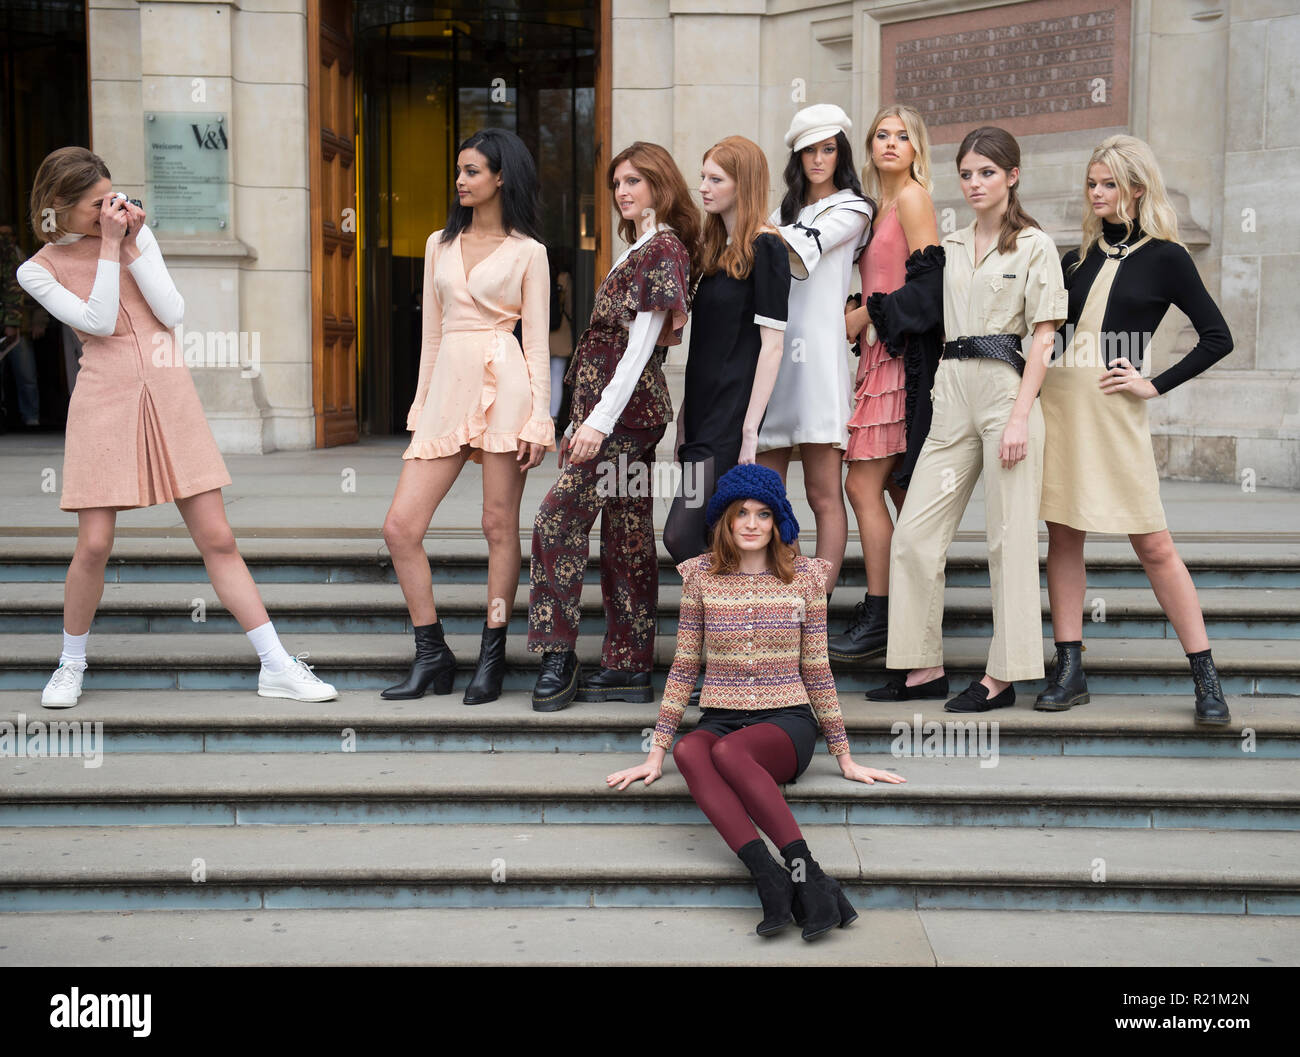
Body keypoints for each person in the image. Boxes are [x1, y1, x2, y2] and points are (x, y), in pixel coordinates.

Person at [16, 146, 336, 708]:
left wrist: (132, 244)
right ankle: (70, 664)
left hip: (168, 391)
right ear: (59, 206)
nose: (110, 211)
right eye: (96, 205)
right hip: (103, 398)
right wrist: (113, 247)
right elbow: (99, 321)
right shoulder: (37, 268)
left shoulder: (136, 237)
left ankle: (277, 664)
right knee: (94, 543)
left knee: (218, 536)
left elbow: (172, 311)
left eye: (112, 197)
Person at [607, 464, 905, 940]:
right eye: (741, 513)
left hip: (785, 724)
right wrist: (656, 752)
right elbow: (684, 667)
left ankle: (805, 872)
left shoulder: (805, 578)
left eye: (763, 514)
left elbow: (817, 671)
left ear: (777, 522)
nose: (751, 523)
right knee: (691, 751)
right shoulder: (700, 577)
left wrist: (844, 757)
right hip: (723, 717)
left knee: (728, 753)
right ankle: (770, 877)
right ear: (725, 520)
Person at [1038, 135, 1234, 724]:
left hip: (1114, 412)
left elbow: (1217, 336)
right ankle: (1069, 666)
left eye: (1109, 185)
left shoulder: (1167, 256)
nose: (1097, 194)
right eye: (1092, 184)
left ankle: (1205, 675)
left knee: (1153, 543)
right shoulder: (1074, 256)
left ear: (1137, 189)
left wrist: (1154, 382)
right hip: (1059, 406)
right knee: (1064, 534)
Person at [872, 127, 1067, 712]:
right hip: (951, 391)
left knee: (1009, 539)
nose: (976, 182)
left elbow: (1044, 339)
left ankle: (1003, 676)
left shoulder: (1035, 245)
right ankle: (922, 666)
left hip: (1008, 391)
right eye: (967, 173)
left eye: (987, 172)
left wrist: (1019, 416)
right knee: (914, 534)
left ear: (1012, 176)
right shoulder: (951, 246)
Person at [382, 128, 554, 706]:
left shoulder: (530, 251)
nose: (460, 179)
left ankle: (493, 650)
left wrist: (540, 419)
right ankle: (431, 651)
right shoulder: (438, 243)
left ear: (502, 177)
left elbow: (536, 342)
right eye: (459, 170)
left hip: (506, 387)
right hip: (447, 392)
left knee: (498, 526)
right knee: (400, 527)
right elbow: (431, 335)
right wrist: (419, 404)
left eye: (473, 170)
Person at [527, 141, 697, 711]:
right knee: (626, 536)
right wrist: (579, 417)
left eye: (634, 181)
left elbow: (638, 346)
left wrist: (597, 423)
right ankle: (629, 666)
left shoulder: (664, 247)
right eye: (617, 183)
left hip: (623, 416)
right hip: (618, 414)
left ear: (660, 184)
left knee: (556, 520)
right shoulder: (643, 248)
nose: (623, 192)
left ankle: (558, 652)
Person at [832, 105, 941, 664]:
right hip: (877, 356)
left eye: (903, 136)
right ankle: (911, 625)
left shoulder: (915, 199)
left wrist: (865, 315)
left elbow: (930, 289)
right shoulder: (879, 208)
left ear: (917, 147)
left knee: (861, 487)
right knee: (902, 494)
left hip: (900, 358)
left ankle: (880, 611)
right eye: (881, 136)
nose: (891, 144)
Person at [757, 103, 875, 600]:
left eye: (829, 149)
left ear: (841, 154)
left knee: (823, 493)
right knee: (764, 491)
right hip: (772, 355)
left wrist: (753, 231)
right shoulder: (781, 213)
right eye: (810, 151)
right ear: (797, 157)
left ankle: (815, 604)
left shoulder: (853, 207)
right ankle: (772, 596)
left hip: (820, 359)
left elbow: (802, 245)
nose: (819, 159)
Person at [662, 135, 789, 564]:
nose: (703, 187)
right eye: (703, 177)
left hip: (731, 417)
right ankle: (730, 625)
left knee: (682, 535)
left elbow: (773, 346)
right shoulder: (717, 251)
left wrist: (750, 429)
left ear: (744, 184)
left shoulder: (767, 247)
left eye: (716, 178)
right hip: (701, 414)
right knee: (714, 530)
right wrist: (685, 415)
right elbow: (706, 348)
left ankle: (737, 617)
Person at [1, 221, 46, 428]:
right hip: (11, 322)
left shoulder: (20, 258)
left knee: (26, 375)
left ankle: (31, 418)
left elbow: (37, 294)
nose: (6, 239)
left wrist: (37, 321)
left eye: (9, 235)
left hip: (20, 325)